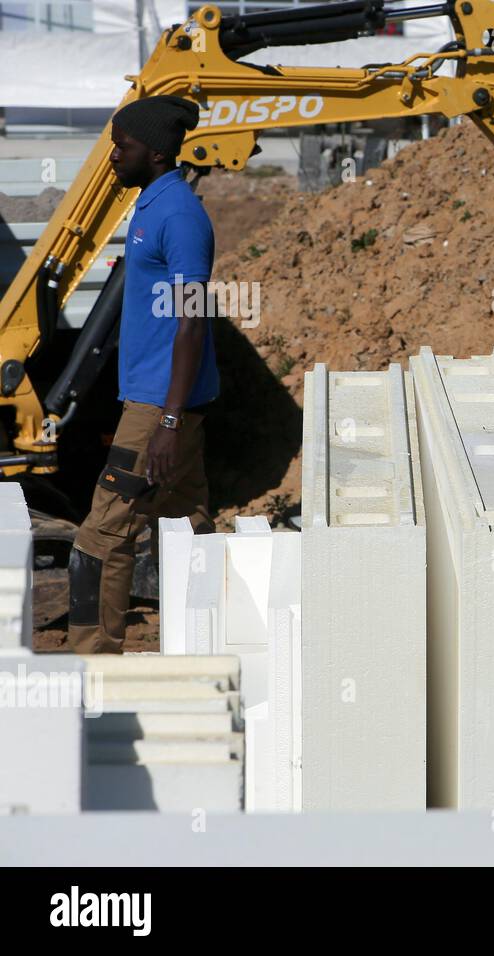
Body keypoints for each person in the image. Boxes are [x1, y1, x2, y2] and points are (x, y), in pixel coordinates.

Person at [67, 95, 218, 654]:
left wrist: (170, 421)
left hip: (161, 407)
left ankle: (91, 667)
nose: (112, 155)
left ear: (154, 152)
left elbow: (193, 323)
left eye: (121, 146)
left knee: (101, 537)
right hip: (158, 401)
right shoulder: (152, 205)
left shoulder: (179, 215)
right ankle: (208, 647)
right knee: (187, 525)